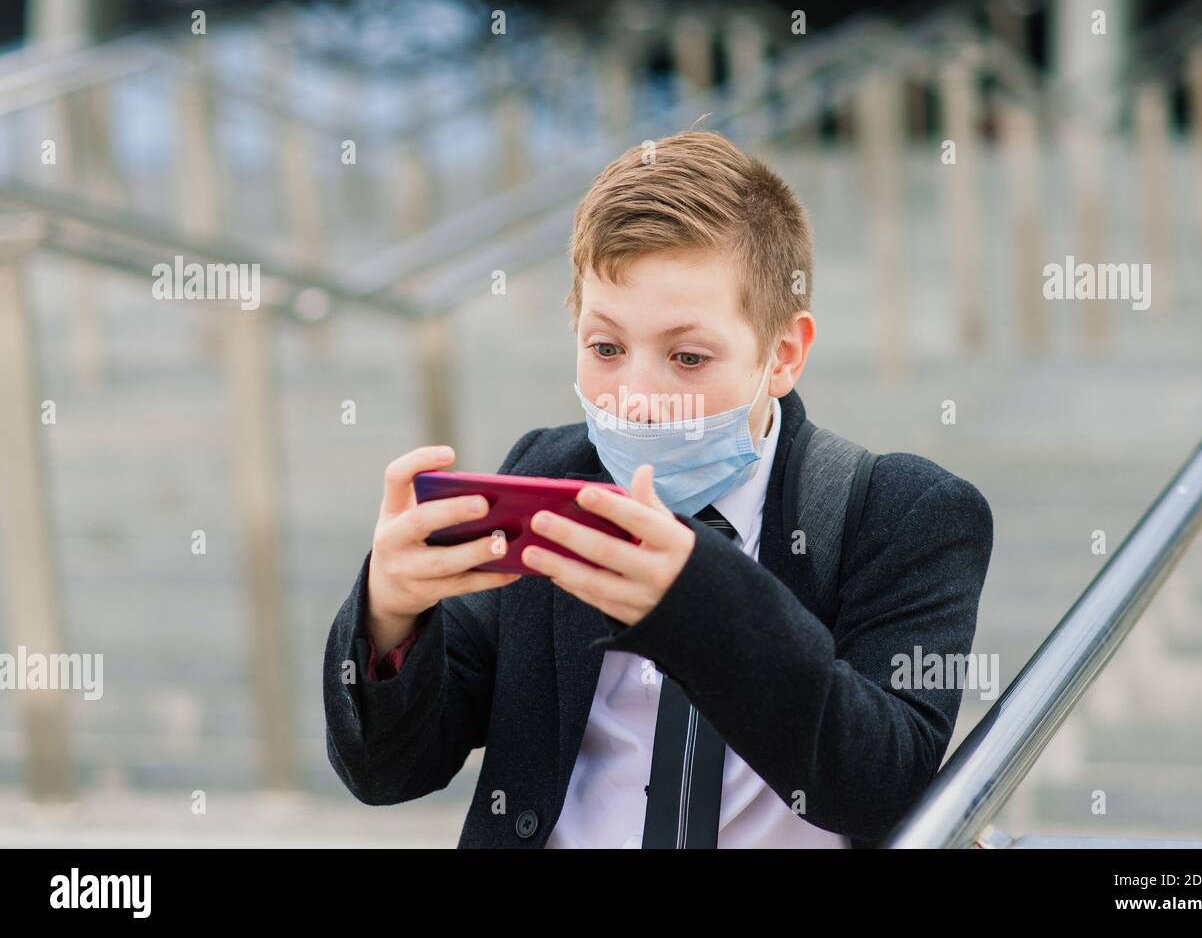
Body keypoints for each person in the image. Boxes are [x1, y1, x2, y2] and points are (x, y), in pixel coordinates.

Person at [323, 130, 994, 848]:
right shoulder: (551, 475)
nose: (637, 397)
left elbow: (882, 779)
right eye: (606, 348)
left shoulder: (901, 513)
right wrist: (391, 615)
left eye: (688, 356)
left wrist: (697, 598)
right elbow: (391, 770)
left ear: (783, 355)